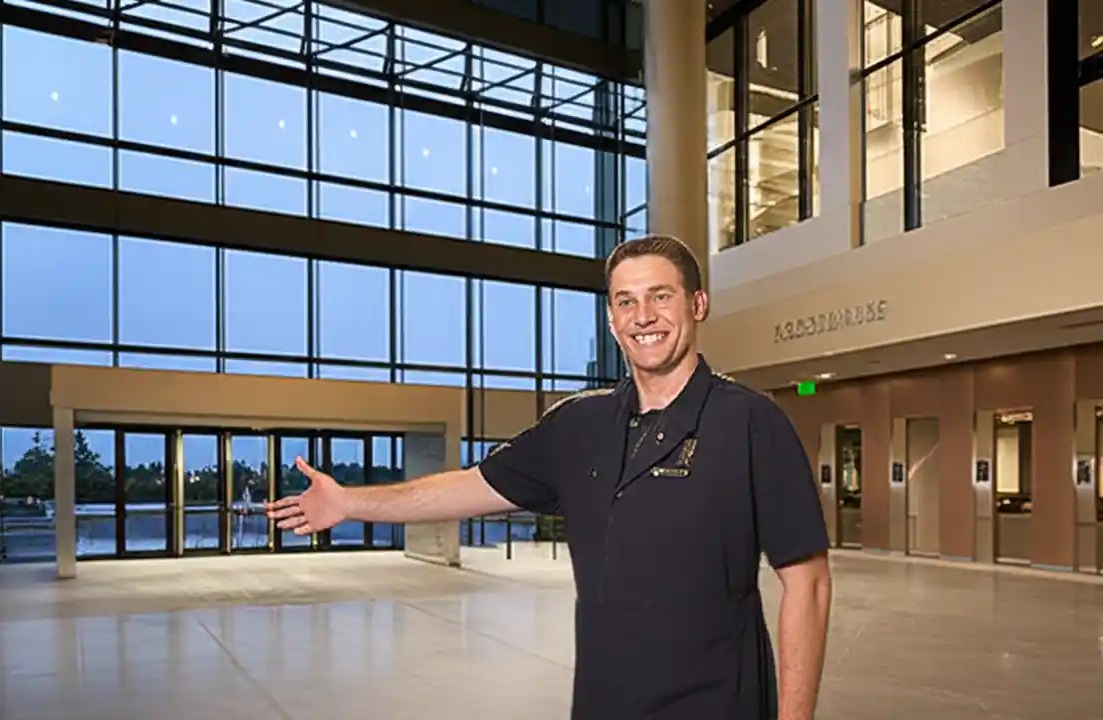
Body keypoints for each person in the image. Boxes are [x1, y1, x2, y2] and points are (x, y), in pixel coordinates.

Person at [266, 234, 832, 720]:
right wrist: (349, 502)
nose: (644, 316)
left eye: (661, 296)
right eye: (626, 301)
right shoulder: (577, 427)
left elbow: (807, 583)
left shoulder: (752, 423)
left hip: (719, 705)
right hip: (604, 703)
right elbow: (467, 487)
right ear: (612, 320)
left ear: (698, 304)